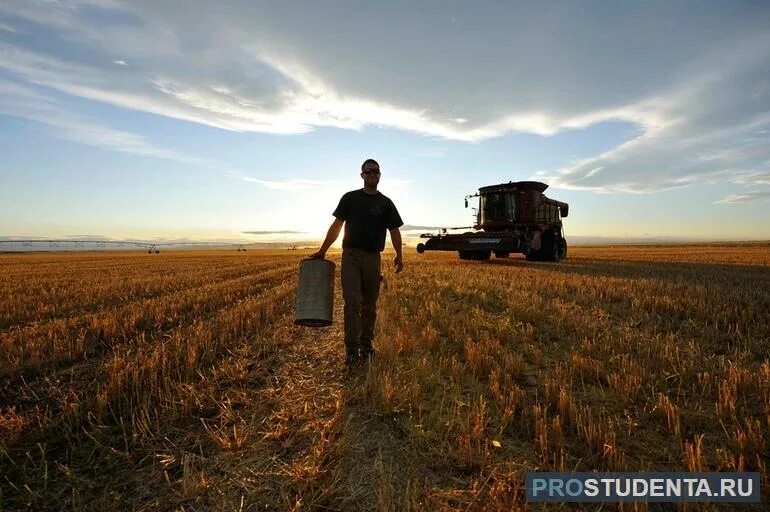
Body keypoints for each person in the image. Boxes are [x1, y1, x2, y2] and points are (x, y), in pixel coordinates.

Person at [310, 158, 404, 365]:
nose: (372, 175)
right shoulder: (350, 199)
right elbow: (337, 225)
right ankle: (351, 348)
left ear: (380, 175)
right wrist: (323, 250)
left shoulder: (386, 203)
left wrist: (399, 255)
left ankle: (367, 345)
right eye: (368, 172)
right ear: (361, 175)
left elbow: (394, 230)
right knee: (352, 302)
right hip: (351, 256)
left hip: (373, 258)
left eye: (376, 172)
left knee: (370, 305)